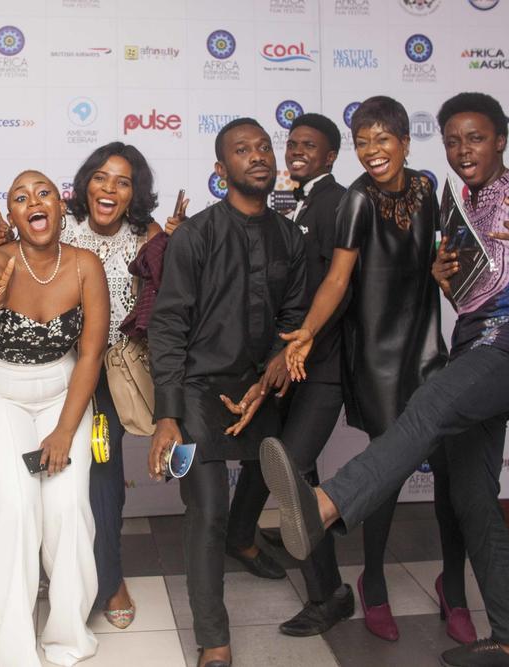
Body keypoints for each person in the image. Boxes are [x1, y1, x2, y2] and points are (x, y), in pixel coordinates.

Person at [264, 92, 509, 667]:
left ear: (500, 141)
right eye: (454, 139)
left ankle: (323, 506)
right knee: (471, 497)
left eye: (476, 137)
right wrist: (449, 281)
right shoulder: (460, 200)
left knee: (431, 402)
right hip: (473, 343)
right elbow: (472, 286)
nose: (463, 149)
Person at [262, 96, 472, 645]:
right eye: (362, 141)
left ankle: (456, 586)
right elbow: (336, 279)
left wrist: (441, 271)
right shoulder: (356, 200)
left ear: (405, 141)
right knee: (387, 472)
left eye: (382, 140)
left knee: (453, 471)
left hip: (426, 345)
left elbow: (434, 257)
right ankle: (373, 585)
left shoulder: (427, 190)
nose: (372, 151)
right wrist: (306, 331)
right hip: (376, 356)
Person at [148, 118, 306, 667]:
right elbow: (167, 326)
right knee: (206, 507)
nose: (257, 156)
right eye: (242, 150)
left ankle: (245, 540)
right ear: (222, 170)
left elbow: (295, 318)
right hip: (197, 392)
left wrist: (270, 377)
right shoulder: (195, 235)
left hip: (263, 388)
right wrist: (168, 415)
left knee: (267, 472)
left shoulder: (291, 237)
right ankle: (213, 639)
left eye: (264, 147)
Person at [0, 170, 108, 666]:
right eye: (20, 197)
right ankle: (12, 645)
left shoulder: (86, 265)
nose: (33, 201)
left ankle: (67, 637)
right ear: (16, 216)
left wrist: (65, 431)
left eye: (43, 192)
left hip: (63, 398)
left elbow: (90, 355)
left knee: (68, 511)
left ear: (60, 207)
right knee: (18, 510)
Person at [226, 113, 357, 635]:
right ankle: (239, 536)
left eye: (312, 146)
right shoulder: (298, 202)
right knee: (274, 456)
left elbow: (339, 289)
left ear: (331, 156)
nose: (298, 152)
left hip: (320, 367)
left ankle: (331, 595)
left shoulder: (338, 203)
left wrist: (294, 350)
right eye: (294, 143)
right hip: (292, 366)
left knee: (295, 471)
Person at [62, 141, 181, 627]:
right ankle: (64, 573)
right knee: (54, 482)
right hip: (55, 372)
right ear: (86, 183)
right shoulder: (62, 225)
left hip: (107, 378)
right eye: (101, 177)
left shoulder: (145, 234)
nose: (109, 188)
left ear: (135, 194)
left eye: (123, 181)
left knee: (103, 478)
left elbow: (165, 305)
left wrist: (173, 251)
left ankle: (109, 580)